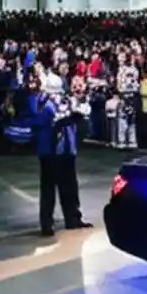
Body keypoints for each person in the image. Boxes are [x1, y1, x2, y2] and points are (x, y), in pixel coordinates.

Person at [33, 74, 92, 237]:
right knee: (48, 189)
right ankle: (47, 224)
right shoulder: (44, 104)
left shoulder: (60, 101)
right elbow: (55, 121)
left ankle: (73, 218)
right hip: (50, 152)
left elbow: (71, 113)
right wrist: (72, 116)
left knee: (70, 186)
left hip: (66, 151)